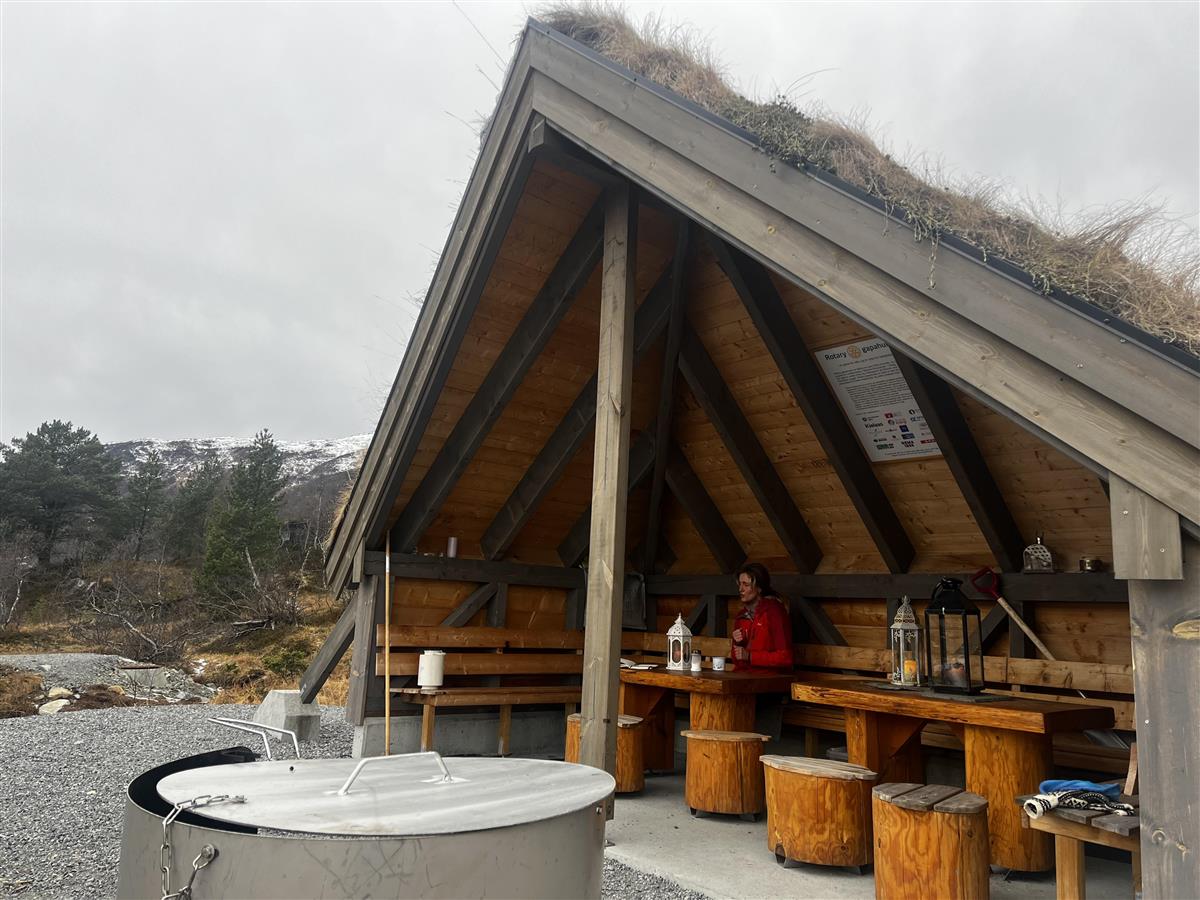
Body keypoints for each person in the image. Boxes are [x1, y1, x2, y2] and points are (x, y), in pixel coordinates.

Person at [730, 563, 794, 670]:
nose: (740, 589)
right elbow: (736, 660)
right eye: (739, 584)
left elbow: (786, 658)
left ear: (759, 588)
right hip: (744, 679)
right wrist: (738, 643)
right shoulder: (741, 616)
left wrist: (750, 656)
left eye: (746, 585)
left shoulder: (774, 612)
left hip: (769, 680)